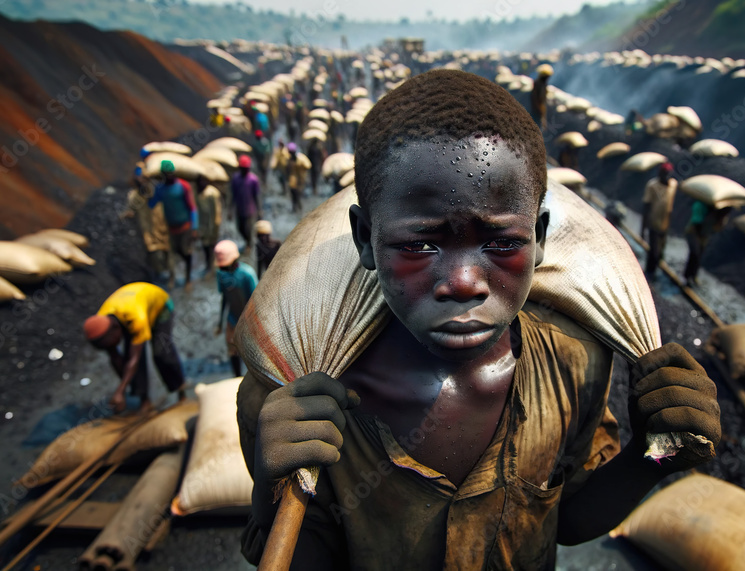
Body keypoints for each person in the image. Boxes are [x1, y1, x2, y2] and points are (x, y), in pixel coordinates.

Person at [237, 70, 720, 568]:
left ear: (540, 237)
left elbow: (567, 520)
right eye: (420, 244)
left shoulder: (574, 363)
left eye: (502, 243)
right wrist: (272, 486)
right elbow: (303, 554)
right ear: (365, 239)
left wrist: (651, 456)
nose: (464, 282)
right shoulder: (295, 399)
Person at [83, 282, 187, 413]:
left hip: (161, 308)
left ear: (116, 330)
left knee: (161, 353)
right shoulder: (103, 321)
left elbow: (135, 360)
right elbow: (115, 358)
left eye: (111, 344)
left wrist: (120, 391)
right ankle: (145, 400)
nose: (111, 348)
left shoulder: (136, 318)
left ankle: (180, 390)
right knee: (130, 362)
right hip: (131, 310)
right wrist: (124, 387)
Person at [148, 160, 197, 291]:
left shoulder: (183, 186)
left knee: (185, 252)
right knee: (172, 253)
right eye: (167, 174)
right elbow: (152, 203)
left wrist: (194, 227)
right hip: (171, 228)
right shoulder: (160, 189)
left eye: (171, 173)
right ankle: (172, 277)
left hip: (185, 226)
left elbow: (192, 207)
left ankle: (188, 279)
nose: (170, 176)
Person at [213, 240, 259, 378]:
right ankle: (237, 377)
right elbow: (225, 298)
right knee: (232, 350)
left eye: (226, 266)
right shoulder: (221, 275)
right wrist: (220, 322)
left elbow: (256, 301)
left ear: (235, 260)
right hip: (232, 319)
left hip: (249, 320)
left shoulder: (247, 275)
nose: (223, 269)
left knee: (253, 352)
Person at [122, 163, 172, 281]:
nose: (142, 180)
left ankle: (170, 274)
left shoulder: (154, 189)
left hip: (161, 224)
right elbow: (131, 208)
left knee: (167, 249)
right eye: (140, 178)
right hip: (147, 228)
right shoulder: (134, 195)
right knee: (153, 252)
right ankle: (160, 275)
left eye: (144, 178)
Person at [682, 199, 731, 288]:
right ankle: (687, 277)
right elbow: (696, 221)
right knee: (695, 254)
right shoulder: (702, 206)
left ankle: (692, 276)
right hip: (694, 233)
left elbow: (716, 229)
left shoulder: (719, 216)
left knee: (698, 255)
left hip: (704, 236)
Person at [641, 162, 678, 276]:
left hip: (665, 224)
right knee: (654, 252)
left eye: (668, 174)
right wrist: (643, 227)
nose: (665, 176)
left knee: (660, 252)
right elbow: (646, 206)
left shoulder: (673, 185)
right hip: (654, 223)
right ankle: (649, 273)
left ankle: (654, 271)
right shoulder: (652, 185)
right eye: (663, 173)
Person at [230, 155, 262, 251]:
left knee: (248, 229)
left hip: (250, 210)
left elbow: (256, 196)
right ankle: (247, 241)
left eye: (246, 168)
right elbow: (233, 195)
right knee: (239, 228)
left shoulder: (253, 180)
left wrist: (259, 210)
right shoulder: (235, 179)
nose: (245, 170)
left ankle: (249, 244)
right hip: (240, 209)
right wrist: (230, 209)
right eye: (243, 168)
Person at [196, 173, 222, 275]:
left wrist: (214, 226)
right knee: (205, 246)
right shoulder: (199, 193)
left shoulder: (212, 193)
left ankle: (212, 266)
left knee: (211, 245)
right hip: (203, 225)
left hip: (212, 225)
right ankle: (208, 265)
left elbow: (216, 211)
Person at [285, 142, 310, 214]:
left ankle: (299, 207)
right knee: (293, 194)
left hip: (300, 179)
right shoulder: (289, 160)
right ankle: (295, 207)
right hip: (292, 180)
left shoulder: (300, 158)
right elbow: (287, 170)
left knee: (298, 194)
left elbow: (307, 166)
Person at [530, 63, 551, 130]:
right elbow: (538, 99)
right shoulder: (540, 84)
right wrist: (542, 113)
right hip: (537, 110)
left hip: (537, 109)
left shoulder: (540, 84)